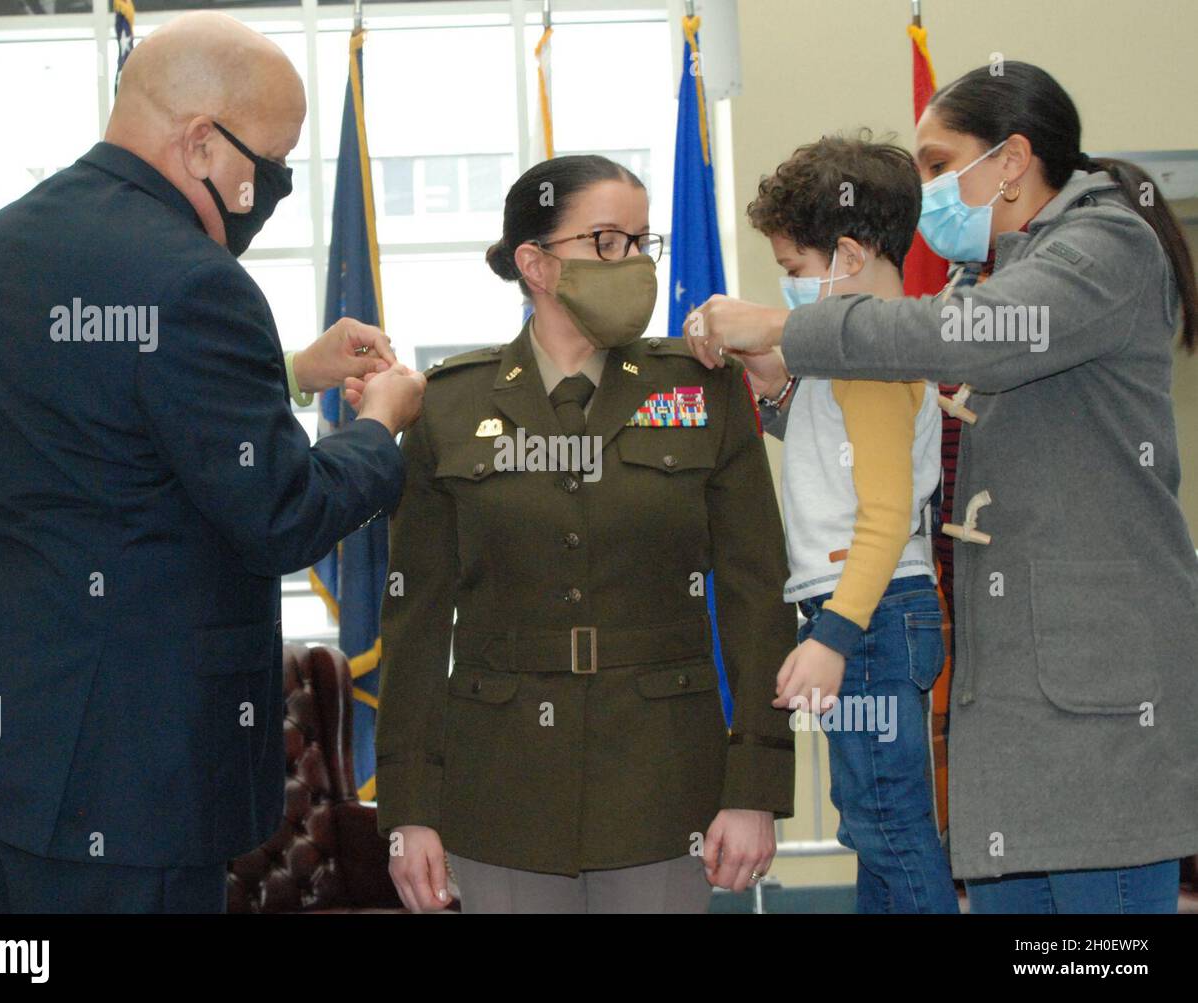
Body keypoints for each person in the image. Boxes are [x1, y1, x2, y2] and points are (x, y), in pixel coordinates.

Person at [0, 12, 425, 914]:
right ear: (201, 143)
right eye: (271, 165)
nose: (271, 191)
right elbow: (283, 513)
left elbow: (106, 412)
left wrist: (290, 372)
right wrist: (378, 427)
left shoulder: (4, 241)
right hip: (114, 785)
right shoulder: (195, 278)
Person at [686, 62, 1198, 913]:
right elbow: (884, 448)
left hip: (1093, 676)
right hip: (1006, 668)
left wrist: (786, 324)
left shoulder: (1102, 244)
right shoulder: (987, 273)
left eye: (937, 164)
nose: (926, 192)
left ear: (1012, 159)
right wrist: (781, 393)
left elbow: (969, 338)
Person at [362, 155, 796, 914]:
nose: (633, 262)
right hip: (500, 790)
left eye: (641, 241)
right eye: (606, 241)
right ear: (535, 264)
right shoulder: (448, 405)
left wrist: (756, 784)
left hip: (666, 785)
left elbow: (758, 596)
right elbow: (416, 620)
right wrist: (409, 807)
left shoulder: (701, 389)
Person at [744, 134, 957, 913]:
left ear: (849, 255)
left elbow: (886, 513)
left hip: (868, 612)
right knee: (874, 825)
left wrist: (833, 636)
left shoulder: (866, 355)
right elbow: (836, 458)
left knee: (888, 824)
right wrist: (775, 391)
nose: (788, 286)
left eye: (794, 268)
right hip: (872, 610)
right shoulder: (855, 351)